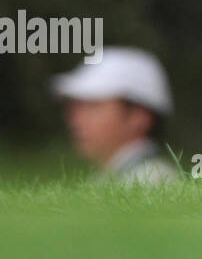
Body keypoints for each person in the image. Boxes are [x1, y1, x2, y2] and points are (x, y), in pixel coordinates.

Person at [51, 47, 178, 185]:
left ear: (139, 116)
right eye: (76, 106)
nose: (76, 119)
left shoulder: (152, 182)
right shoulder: (115, 179)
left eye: (93, 106)